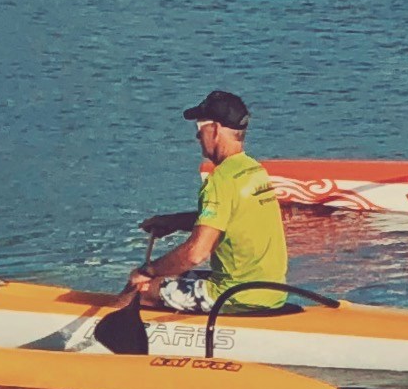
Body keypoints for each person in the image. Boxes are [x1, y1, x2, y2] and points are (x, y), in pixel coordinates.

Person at [100, 90, 286, 343]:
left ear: (216, 129)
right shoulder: (254, 171)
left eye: (201, 127)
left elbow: (195, 254)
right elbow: (229, 219)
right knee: (165, 277)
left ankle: (101, 340)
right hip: (269, 292)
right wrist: (175, 222)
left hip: (232, 295)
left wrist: (150, 270)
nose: (197, 135)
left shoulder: (219, 181)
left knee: (140, 287)